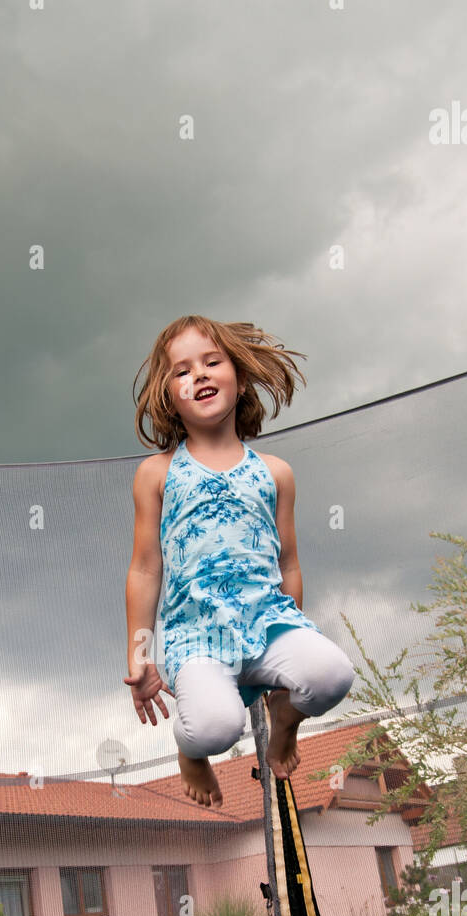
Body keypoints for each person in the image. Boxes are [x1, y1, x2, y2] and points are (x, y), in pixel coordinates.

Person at [125, 314, 355, 809]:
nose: (200, 375)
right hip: (198, 636)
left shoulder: (275, 473)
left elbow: (289, 563)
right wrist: (140, 654)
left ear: (240, 377)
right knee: (215, 728)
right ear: (168, 396)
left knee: (331, 676)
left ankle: (284, 716)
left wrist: (295, 633)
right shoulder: (157, 473)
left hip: (268, 622)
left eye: (212, 362)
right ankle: (190, 754)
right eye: (183, 371)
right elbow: (145, 569)